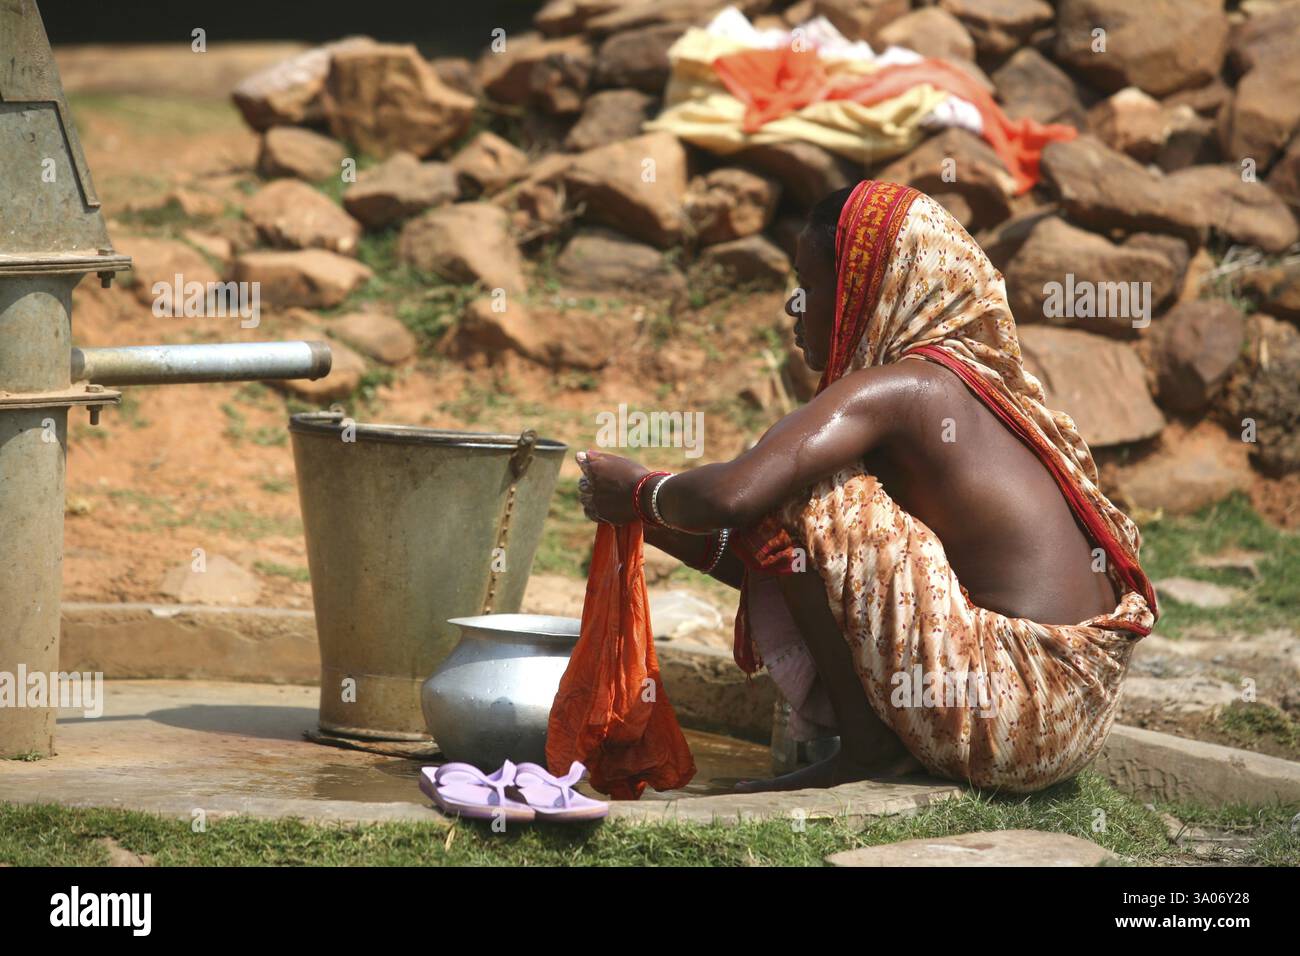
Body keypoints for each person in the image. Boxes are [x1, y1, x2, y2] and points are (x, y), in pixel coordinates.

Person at [575, 180, 1157, 794]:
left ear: (868, 287)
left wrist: (643, 492)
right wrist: (651, 521)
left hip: (1017, 706)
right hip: (1070, 712)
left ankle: (867, 751)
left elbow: (735, 497)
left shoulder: (903, 388)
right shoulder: (974, 392)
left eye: (808, 285)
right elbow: (803, 570)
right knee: (797, 501)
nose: (793, 307)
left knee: (803, 489)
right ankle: (870, 742)